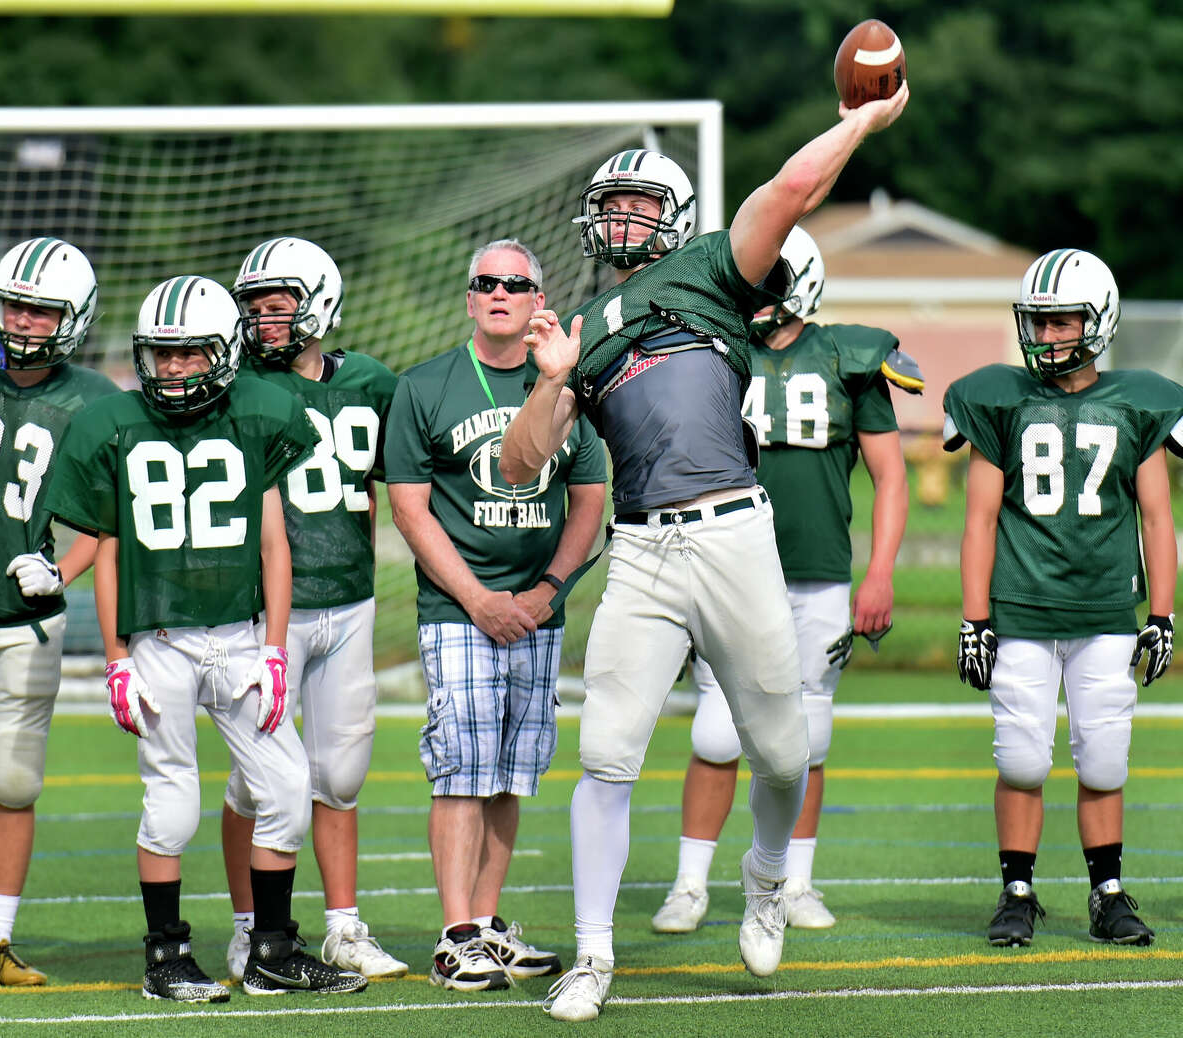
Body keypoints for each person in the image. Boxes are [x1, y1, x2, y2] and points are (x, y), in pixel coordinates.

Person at [499, 82, 909, 1022]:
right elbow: (524, 467)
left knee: (781, 749)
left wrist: (859, 121)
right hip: (640, 548)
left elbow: (789, 189)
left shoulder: (709, 272)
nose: (627, 218)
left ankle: (765, 879)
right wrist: (553, 383)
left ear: (676, 216)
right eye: (615, 207)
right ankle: (595, 958)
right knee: (605, 754)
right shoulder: (580, 332)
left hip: (732, 530)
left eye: (644, 204)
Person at [46, 275, 368, 1001]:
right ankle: (166, 957)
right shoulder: (113, 424)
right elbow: (107, 544)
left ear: (223, 352)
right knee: (173, 806)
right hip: (159, 639)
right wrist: (117, 657)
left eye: (191, 353)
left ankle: (272, 949)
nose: (175, 368)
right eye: (162, 355)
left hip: (242, 635)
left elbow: (275, 545)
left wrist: (277, 647)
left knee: (287, 787)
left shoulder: (260, 409)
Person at [650, 226, 918, 936]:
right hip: (725, 566)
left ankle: (793, 882)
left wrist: (880, 571)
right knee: (715, 734)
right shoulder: (713, 348)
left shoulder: (844, 356)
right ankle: (690, 883)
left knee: (809, 736)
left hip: (818, 574)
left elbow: (892, 477)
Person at [944, 249, 1183, 949]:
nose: (1047, 336)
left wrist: (1163, 614)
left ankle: (1107, 894)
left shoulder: (1138, 401)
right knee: (1021, 759)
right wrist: (974, 618)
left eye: (1061, 322)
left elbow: (1157, 519)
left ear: (1099, 319)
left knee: (1104, 759)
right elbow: (979, 520)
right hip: (1021, 609)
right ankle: (1017, 891)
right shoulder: (999, 398)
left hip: (1106, 612)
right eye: (1038, 323)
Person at [386, 239, 607, 993]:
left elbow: (589, 503)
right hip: (459, 606)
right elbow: (411, 512)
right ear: (470, 296)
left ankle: (486, 925)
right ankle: (455, 937)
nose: (501, 293)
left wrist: (547, 590)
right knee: (461, 766)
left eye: (516, 283)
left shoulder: (573, 389)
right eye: (488, 283)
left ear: (538, 300)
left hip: (538, 608)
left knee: (513, 770)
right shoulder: (425, 387)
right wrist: (478, 599)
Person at [220, 237, 407, 982]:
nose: (264, 322)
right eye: (254, 309)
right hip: (264, 610)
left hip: (350, 599)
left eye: (279, 307)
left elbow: (387, 487)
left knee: (341, 774)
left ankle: (341, 926)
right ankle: (247, 928)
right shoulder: (234, 388)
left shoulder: (370, 381)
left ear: (320, 302)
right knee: (256, 779)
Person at [0, 237, 119, 986]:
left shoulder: (94, 400)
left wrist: (61, 571)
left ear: (72, 318)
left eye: (39, 310)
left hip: (22, 619)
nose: (21, 320)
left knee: (12, 785)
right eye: (12, 304)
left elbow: (114, 516)